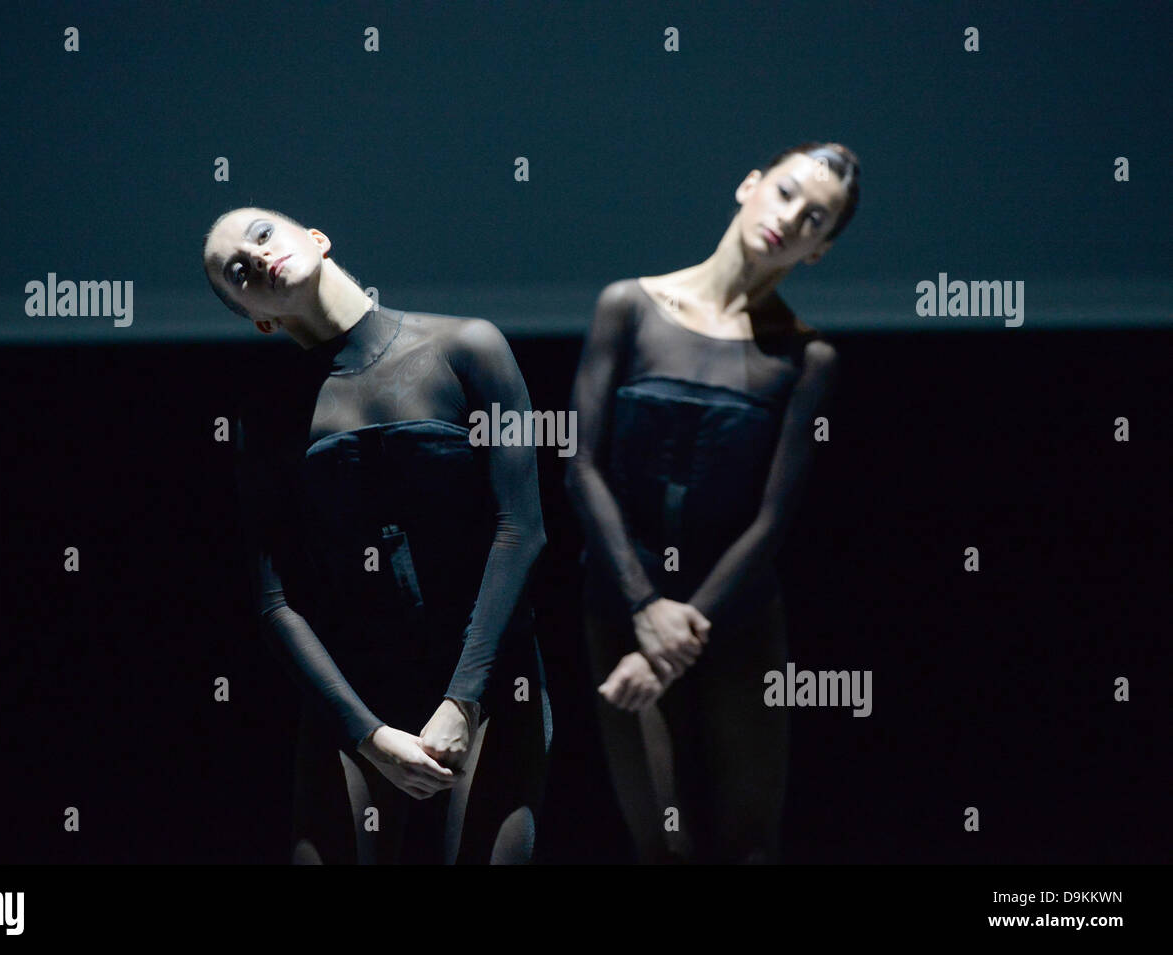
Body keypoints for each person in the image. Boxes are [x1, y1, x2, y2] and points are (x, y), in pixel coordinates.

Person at [204, 208, 550, 863]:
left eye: (260, 234)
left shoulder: (468, 347)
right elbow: (274, 601)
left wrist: (462, 703)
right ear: (260, 319)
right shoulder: (269, 416)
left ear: (316, 236)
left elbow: (522, 531)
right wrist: (366, 733)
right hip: (357, 697)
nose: (256, 258)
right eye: (237, 271)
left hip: (486, 679)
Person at [565, 142, 858, 863]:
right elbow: (579, 465)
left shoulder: (804, 357)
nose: (792, 218)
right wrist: (643, 606)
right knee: (664, 846)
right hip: (622, 605)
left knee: (749, 845)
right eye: (787, 193)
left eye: (816, 218)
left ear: (819, 250)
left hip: (735, 616)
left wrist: (685, 630)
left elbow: (771, 519)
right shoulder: (629, 306)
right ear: (749, 184)